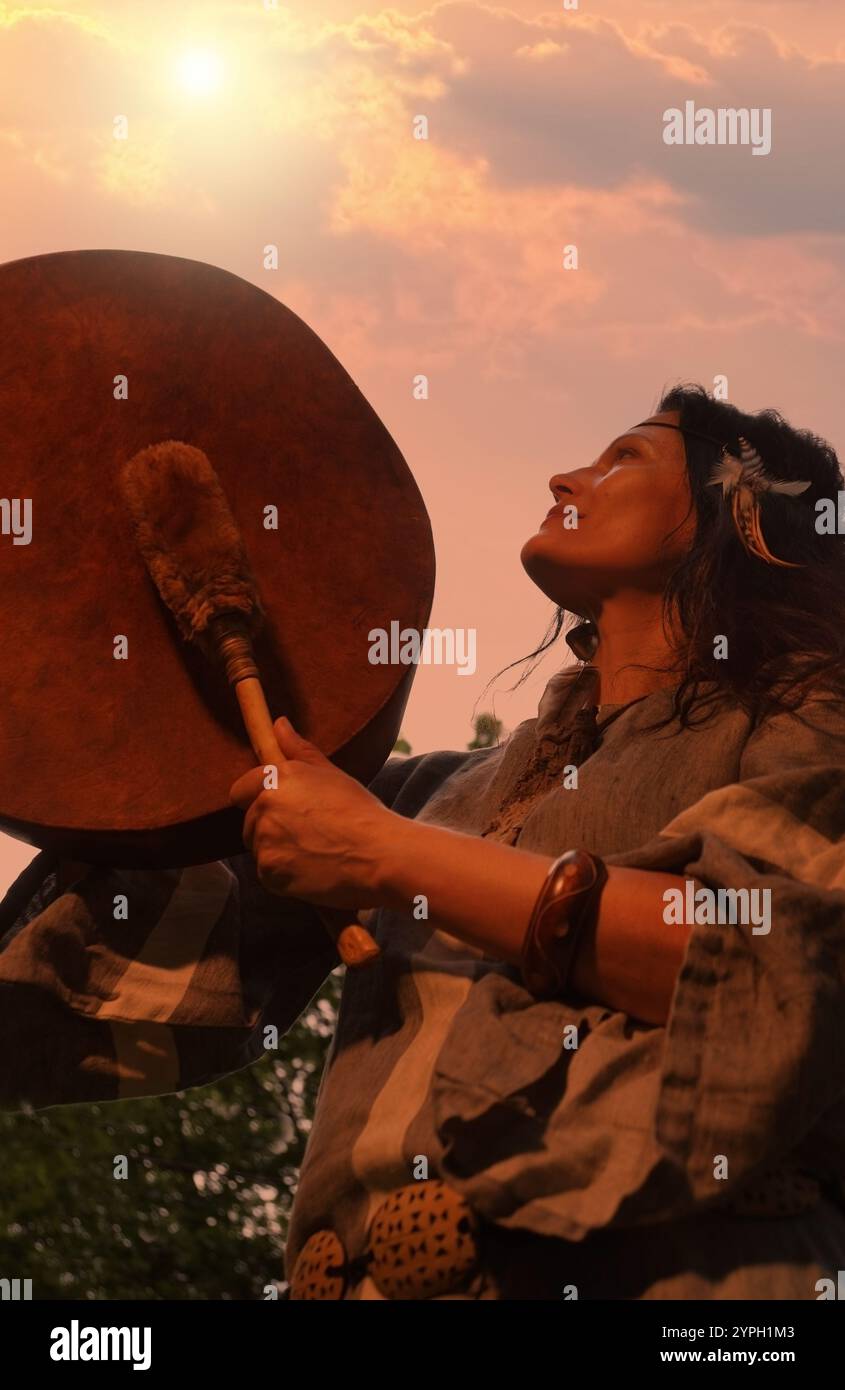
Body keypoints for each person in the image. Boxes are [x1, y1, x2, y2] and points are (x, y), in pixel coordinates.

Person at [3, 382, 845, 1300]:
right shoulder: (429, 791)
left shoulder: (802, 719)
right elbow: (95, 982)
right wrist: (112, 680)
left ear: (744, 509)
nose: (565, 476)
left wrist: (389, 855)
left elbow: (772, 973)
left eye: (623, 457)